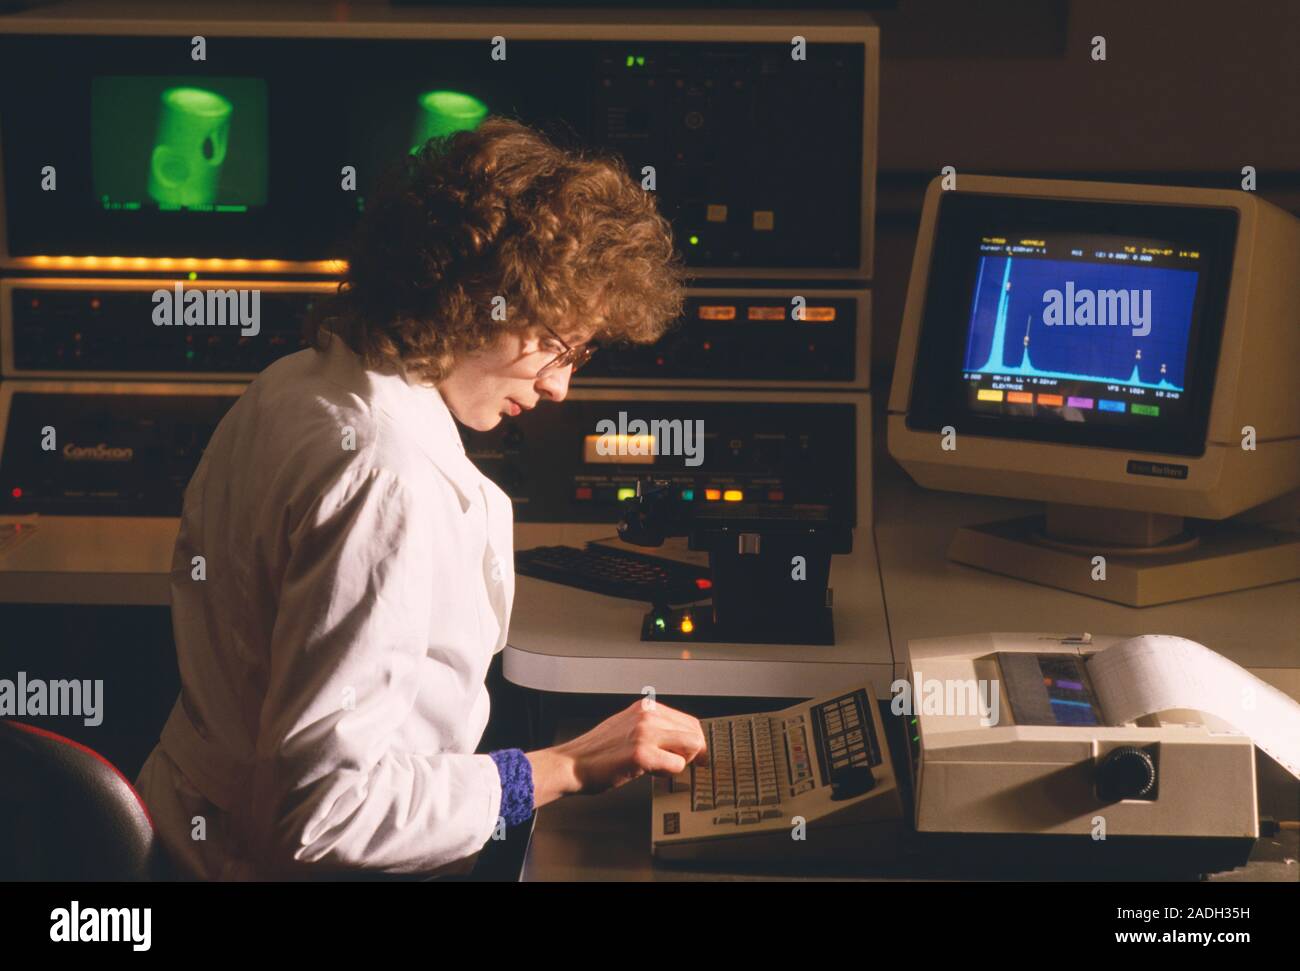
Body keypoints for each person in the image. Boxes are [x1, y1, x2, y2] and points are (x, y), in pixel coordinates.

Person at [136, 117, 706, 879]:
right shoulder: (384, 472)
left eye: (580, 354)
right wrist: (561, 766)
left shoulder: (295, 384)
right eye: (555, 345)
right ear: (472, 297)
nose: (560, 385)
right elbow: (319, 813)